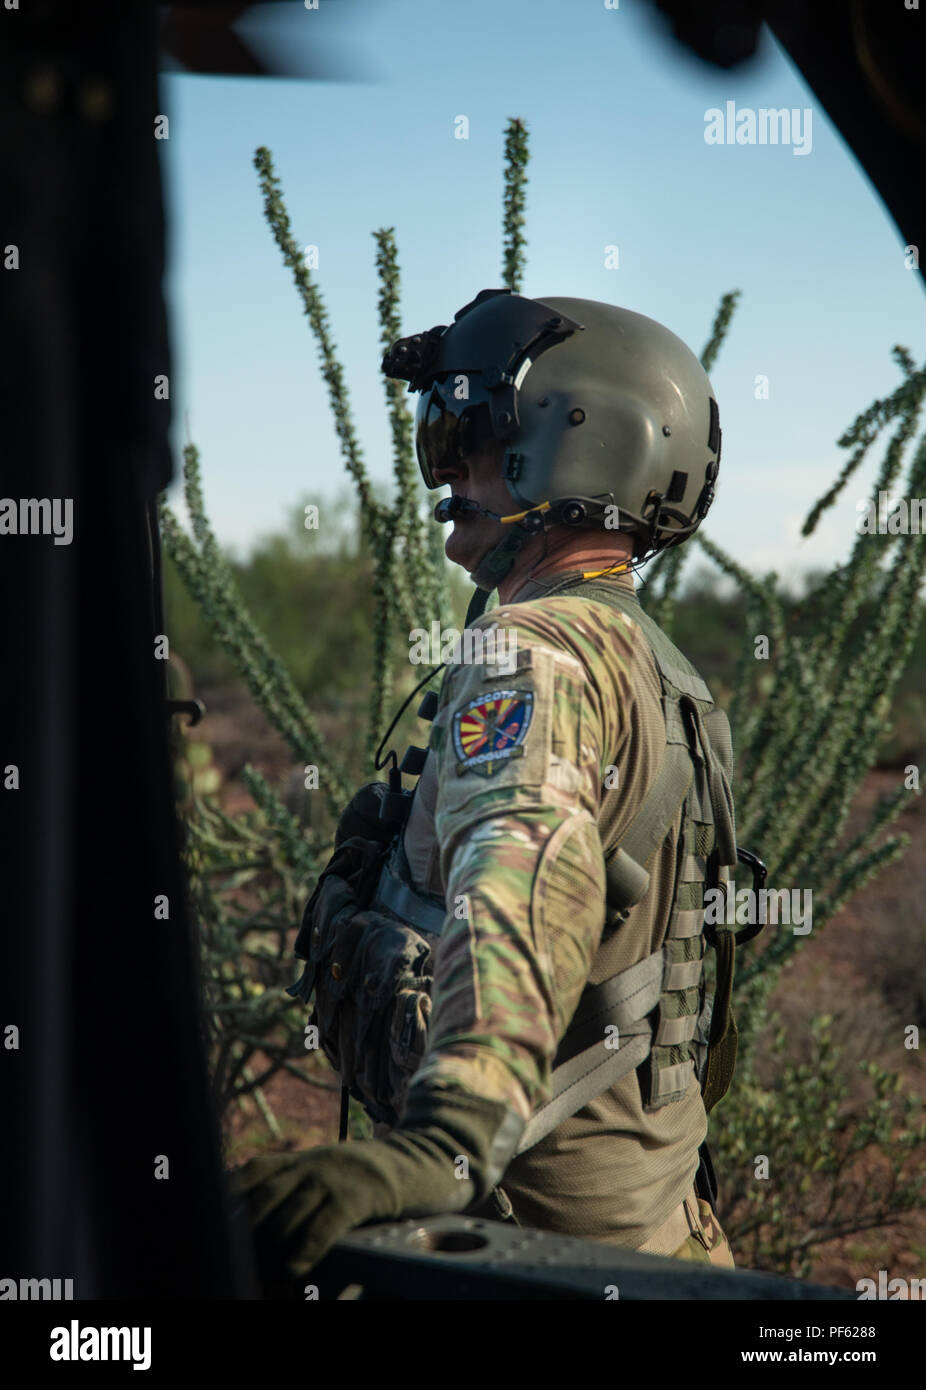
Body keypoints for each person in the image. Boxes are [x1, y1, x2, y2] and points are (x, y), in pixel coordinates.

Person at [230, 289, 740, 1291]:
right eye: (441, 434)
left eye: (469, 431)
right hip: (660, 1238)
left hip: (525, 1262)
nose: (446, 464)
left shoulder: (532, 655)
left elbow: (521, 886)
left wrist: (444, 1140)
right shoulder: (660, 665)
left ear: (579, 447)